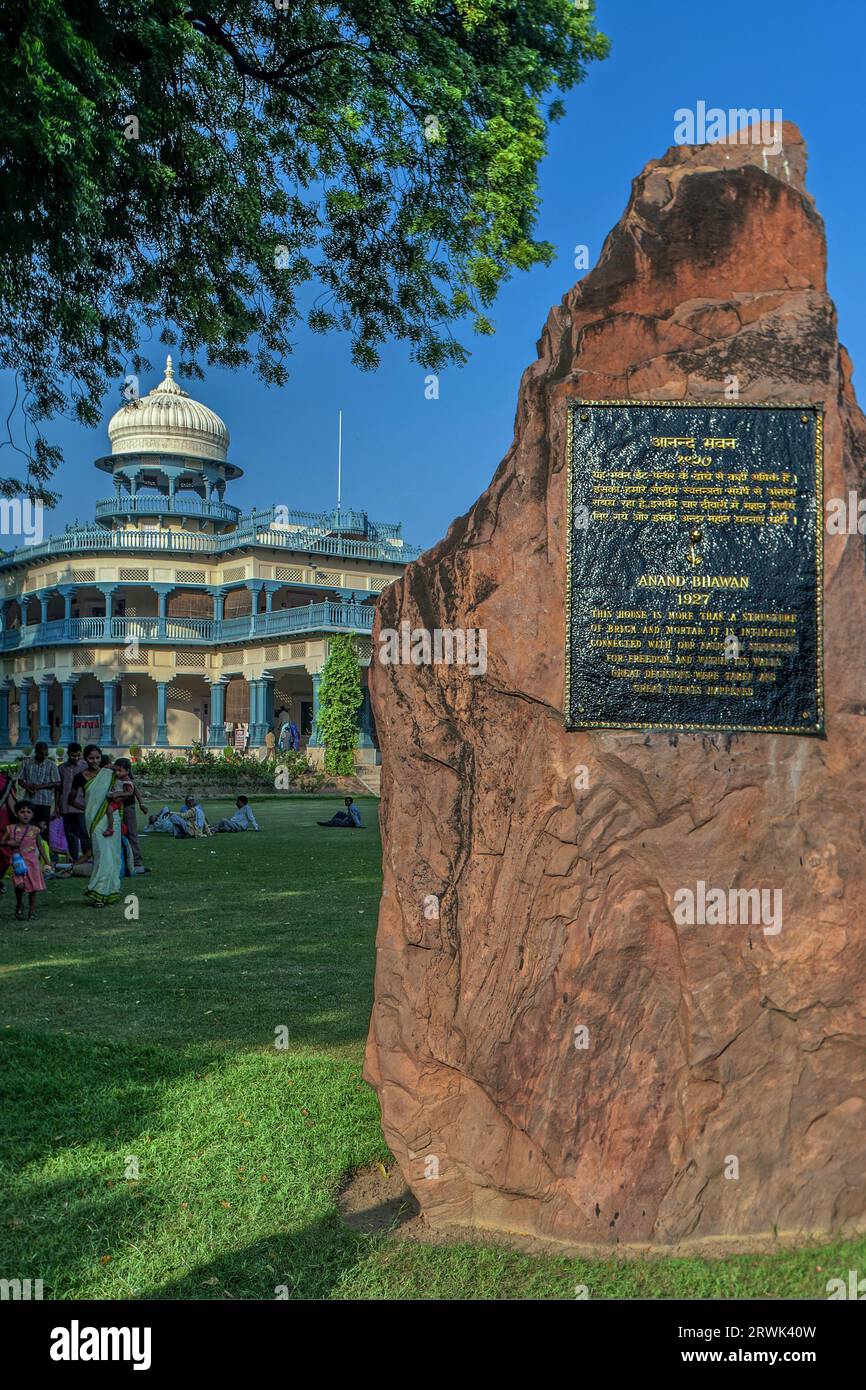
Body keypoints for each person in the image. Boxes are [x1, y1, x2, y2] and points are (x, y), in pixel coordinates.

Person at [71, 746, 122, 906]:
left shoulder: (108, 773)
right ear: (85, 759)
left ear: (101, 758)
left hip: (111, 819)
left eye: (97, 758)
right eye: (91, 758)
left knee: (112, 855)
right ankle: (98, 891)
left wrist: (112, 767)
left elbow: (126, 778)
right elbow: (70, 799)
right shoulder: (79, 777)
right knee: (101, 854)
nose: (95, 761)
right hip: (93, 820)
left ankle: (108, 890)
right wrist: (88, 809)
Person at [2, 801, 47, 920]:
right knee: (20, 886)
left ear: (32, 815)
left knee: (33, 888)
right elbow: (1, 841)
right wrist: (8, 842)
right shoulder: (10, 828)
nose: (25, 814)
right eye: (22, 812)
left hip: (32, 863)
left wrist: (47, 860)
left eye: (28, 812)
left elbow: (40, 846)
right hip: (18, 862)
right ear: (16, 814)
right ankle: (19, 903)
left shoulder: (35, 830)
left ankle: (32, 911)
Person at [17, 742, 61, 840]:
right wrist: (28, 787)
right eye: (41, 753)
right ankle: (30, 851)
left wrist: (39, 787)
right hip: (29, 802)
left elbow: (57, 783)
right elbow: (20, 780)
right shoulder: (26, 763)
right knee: (29, 828)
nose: (44, 756)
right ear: (36, 752)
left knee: (44, 829)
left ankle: (44, 851)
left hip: (45, 802)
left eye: (46, 754)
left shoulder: (51, 765)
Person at [113, 757, 150, 874]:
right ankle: (123, 859)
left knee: (131, 833)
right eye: (116, 770)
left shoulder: (128, 780)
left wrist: (141, 804)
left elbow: (135, 791)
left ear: (127, 771)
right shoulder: (115, 778)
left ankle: (137, 861)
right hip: (116, 808)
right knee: (119, 832)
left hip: (128, 808)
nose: (117, 773)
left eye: (120, 770)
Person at [58, 743, 90, 861]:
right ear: (68, 754)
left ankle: (87, 858)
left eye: (78, 755)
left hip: (81, 805)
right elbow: (59, 788)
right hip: (66, 806)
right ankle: (74, 859)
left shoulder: (85, 766)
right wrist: (57, 805)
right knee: (70, 833)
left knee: (84, 833)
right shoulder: (61, 768)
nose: (76, 758)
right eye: (73, 756)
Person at [0, 768, 18, 890]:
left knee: (5, 857)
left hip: (2, 825)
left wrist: (20, 818)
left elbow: (10, 802)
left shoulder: (5, 780)